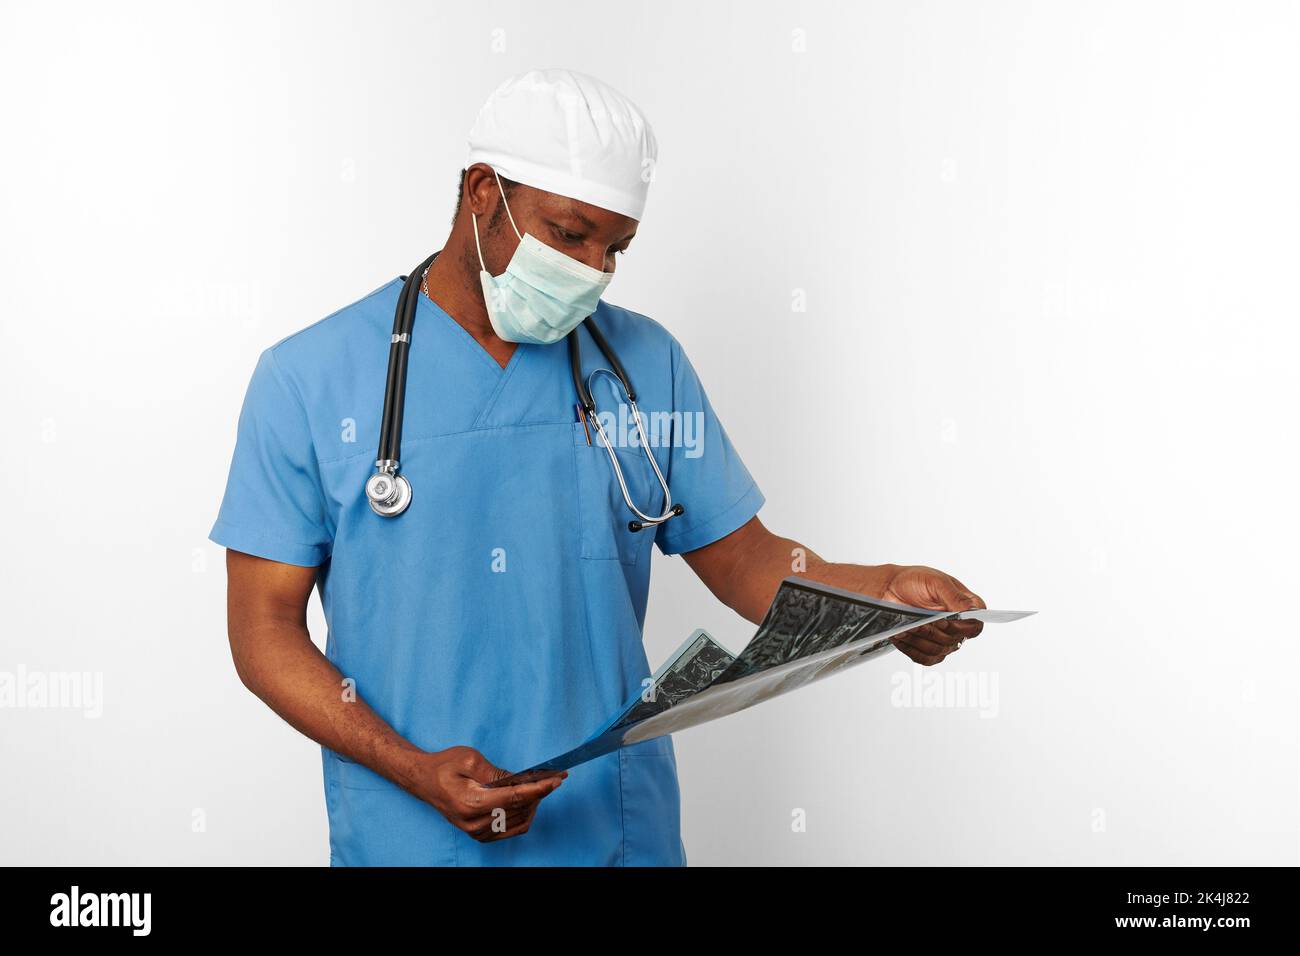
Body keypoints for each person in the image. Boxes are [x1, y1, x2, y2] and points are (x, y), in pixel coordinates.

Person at [211, 68, 986, 866]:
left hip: (614, 828)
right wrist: (408, 766)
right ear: (483, 191)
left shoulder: (644, 365)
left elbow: (748, 562)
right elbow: (262, 633)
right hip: (410, 832)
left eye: (615, 248)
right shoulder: (309, 379)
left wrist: (884, 595)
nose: (592, 269)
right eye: (569, 234)